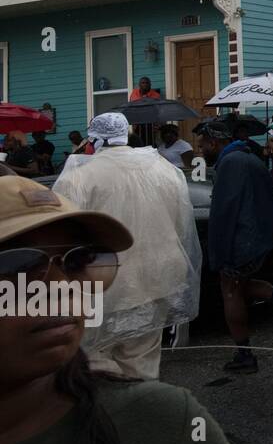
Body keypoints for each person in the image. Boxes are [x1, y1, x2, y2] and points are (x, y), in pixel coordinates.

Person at [0, 175, 240, 444]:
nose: (62, 288)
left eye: (79, 261)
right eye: (18, 266)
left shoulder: (164, 422)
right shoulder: (160, 171)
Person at [52, 112, 201, 381]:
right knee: (143, 358)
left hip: (104, 285)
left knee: (94, 360)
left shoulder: (79, 177)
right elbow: (181, 227)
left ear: (94, 139)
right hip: (160, 278)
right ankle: (141, 410)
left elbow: (61, 239)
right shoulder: (166, 169)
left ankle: (110, 417)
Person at [196, 118, 273, 373]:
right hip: (256, 239)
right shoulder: (250, 159)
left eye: (203, 145)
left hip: (240, 242)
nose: (200, 150)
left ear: (214, 142)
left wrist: (218, 254)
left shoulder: (229, 164)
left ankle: (245, 355)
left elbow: (224, 213)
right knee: (241, 286)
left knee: (230, 290)